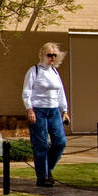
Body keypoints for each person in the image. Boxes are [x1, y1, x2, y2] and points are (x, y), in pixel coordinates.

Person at [22, 42, 70, 186]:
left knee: (60, 141)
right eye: (50, 55)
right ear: (43, 55)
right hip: (38, 110)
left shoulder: (55, 72)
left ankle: (47, 169)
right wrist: (29, 109)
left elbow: (60, 92)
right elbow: (27, 91)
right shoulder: (34, 71)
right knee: (41, 143)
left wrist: (65, 110)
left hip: (54, 110)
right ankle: (43, 177)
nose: (52, 58)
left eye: (55, 55)